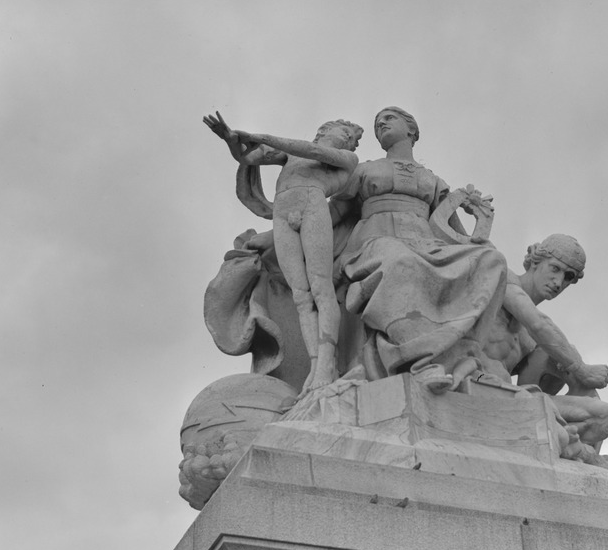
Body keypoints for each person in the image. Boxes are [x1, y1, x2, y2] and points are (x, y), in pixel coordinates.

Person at [333, 107, 508, 392]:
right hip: (374, 244)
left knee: (491, 260)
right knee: (401, 263)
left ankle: (466, 359)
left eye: (390, 118)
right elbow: (334, 213)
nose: (382, 124)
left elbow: (457, 234)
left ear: (411, 130)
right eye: (378, 123)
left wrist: (481, 234)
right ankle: (419, 364)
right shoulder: (364, 170)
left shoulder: (434, 181)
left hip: (427, 244)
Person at [203, 112, 363, 391]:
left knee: (320, 289)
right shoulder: (291, 155)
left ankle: (327, 364)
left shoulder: (346, 162)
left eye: (352, 140)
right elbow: (249, 157)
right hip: (283, 213)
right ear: (325, 129)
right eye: (346, 135)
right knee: (301, 297)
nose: (350, 143)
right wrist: (231, 141)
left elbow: (308, 149)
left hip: (312, 207)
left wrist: (260, 137)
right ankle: (315, 367)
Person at [473, 234, 608, 466]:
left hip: (517, 401)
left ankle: (566, 442)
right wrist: (580, 368)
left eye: (568, 277)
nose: (558, 282)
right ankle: (572, 447)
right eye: (555, 268)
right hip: (477, 387)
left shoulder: (535, 341)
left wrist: (570, 372)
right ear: (535, 260)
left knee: (604, 415)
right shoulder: (504, 279)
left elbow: (535, 381)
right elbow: (539, 323)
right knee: (542, 407)